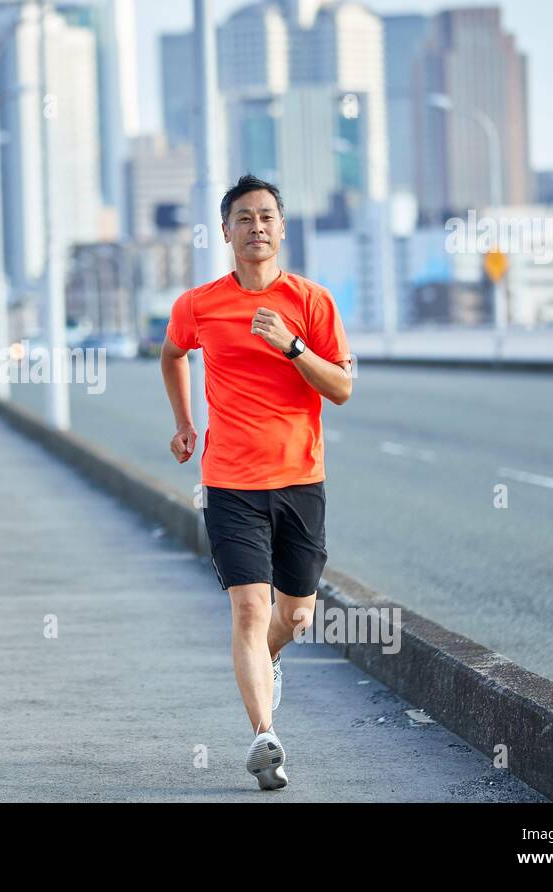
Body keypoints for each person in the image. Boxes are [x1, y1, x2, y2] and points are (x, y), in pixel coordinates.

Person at [159, 174, 353, 790]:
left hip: (300, 479)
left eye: (267, 217)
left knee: (295, 618)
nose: (256, 228)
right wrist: (186, 423)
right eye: (244, 219)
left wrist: (292, 346)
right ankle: (265, 736)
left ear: (282, 228)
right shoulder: (199, 305)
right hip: (231, 483)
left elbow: (343, 388)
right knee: (249, 608)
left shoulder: (313, 302)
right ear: (225, 232)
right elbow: (171, 355)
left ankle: (265, 664)